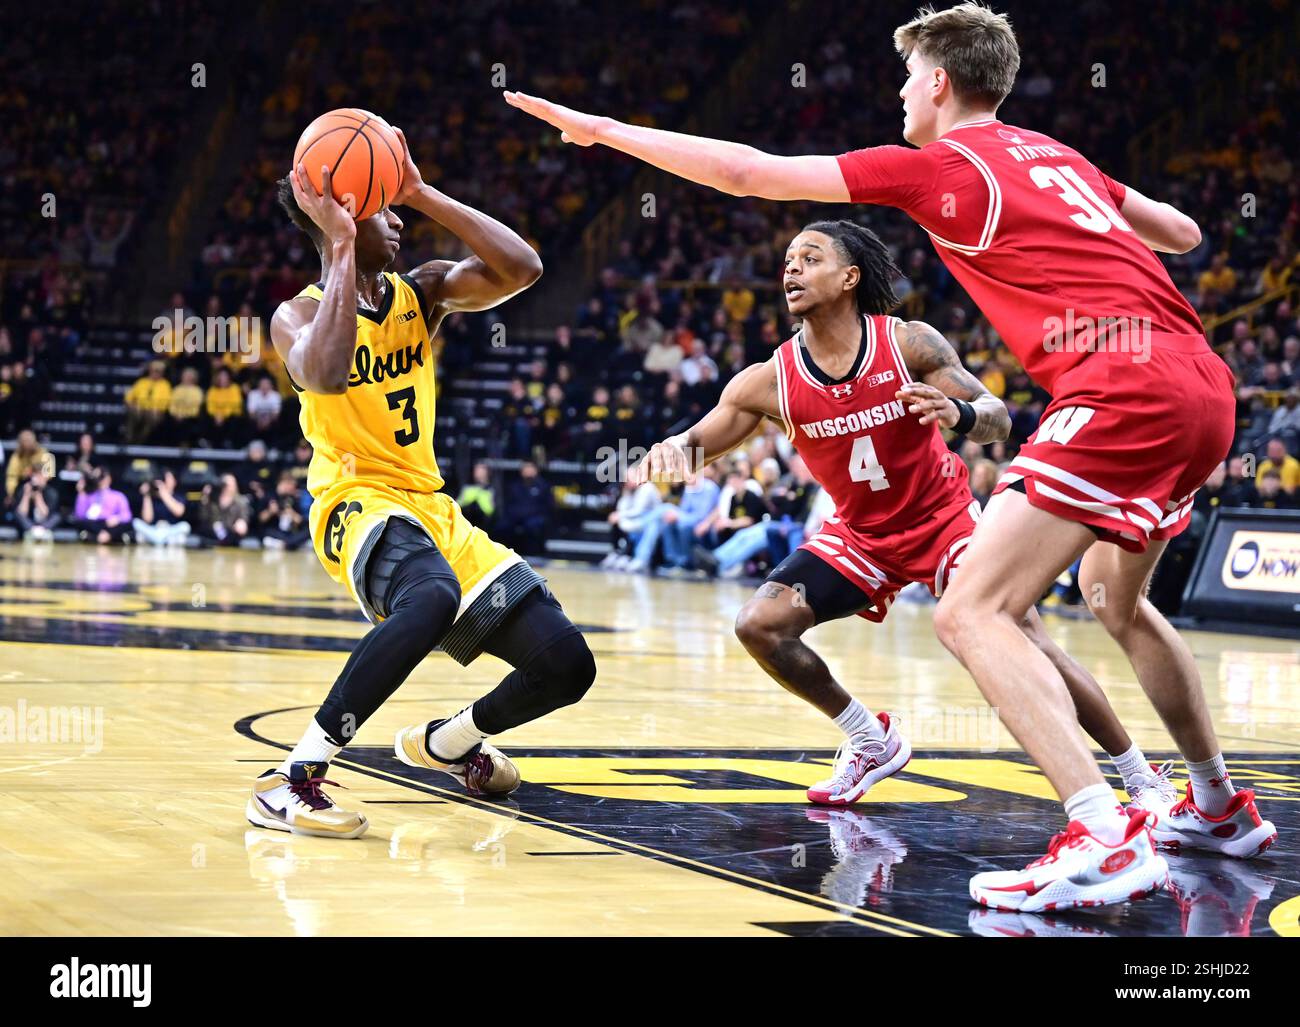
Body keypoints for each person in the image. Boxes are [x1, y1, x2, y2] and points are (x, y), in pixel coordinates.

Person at [510, 2, 1276, 908]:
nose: (901, 93)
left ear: (941, 82)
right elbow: (1183, 233)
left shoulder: (939, 170)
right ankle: (1219, 805)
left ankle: (1104, 830)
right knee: (1118, 597)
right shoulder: (1060, 157)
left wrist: (601, 130)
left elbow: (749, 172)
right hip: (1202, 383)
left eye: (908, 77)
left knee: (971, 612)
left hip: (1121, 390)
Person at [635, 221, 1155, 842]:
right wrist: (666, 452)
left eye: (810, 257)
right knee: (760, 625)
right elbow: (695, 446)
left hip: (945, 524)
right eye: (787, 260)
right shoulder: (767, 382)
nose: (791, 270)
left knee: (1024, 637)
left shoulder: (907, 344)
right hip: (860, 537)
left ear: (850, 278)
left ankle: (1139, 777)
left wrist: (958, 413)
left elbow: (998, 419)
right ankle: (870, 739)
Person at [251, 126, 595, 840]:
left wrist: (418, 188)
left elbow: (524, 266)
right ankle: (293, 778)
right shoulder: (298, 313)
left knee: (566, 664)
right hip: (354, 503)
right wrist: (342, 245)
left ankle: (448, 742)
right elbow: (324, 373)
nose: (398, 222)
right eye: (381, 208)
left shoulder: (425, 291)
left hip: (431, 508)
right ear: (341, 215)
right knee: (431, 594)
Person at [73, 468, 132, 545]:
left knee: (127, 524)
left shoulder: (118, 496)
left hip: (110, 524)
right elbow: (80, 515)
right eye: (96, 478)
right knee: (80, 523)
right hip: (94, 523)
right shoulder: (88, 495)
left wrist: (117, 518)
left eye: (101, 477)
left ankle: (100, 537)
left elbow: (127, 515)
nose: (99, 480)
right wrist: (81, 492)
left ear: (108, 479)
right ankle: (105, 537)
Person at [133, 469, 192, 546]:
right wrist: (146, 495)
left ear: (175, 482)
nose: (165, 482)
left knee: (185, 526)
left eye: (167, 479)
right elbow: (147, 519)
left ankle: (157, 540)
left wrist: (163, 493)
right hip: (154, 529)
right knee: (136, 522)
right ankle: (162, 540)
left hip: (170, 529)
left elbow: (179, 512)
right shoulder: (152, 497)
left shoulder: (179, 496)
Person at [14, 466, 61, 539]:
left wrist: (38, 496)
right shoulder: (24, 489)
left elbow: (45, 514)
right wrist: (26, 495)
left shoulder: (51, 493)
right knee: (17, 513)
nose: (37, 478)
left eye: (40, 476)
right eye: (35, 475)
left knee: (57, 517)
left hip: (44, 523)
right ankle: (32, 530)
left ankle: (41, 530)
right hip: (30, 522)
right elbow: (22, 513)